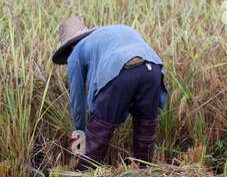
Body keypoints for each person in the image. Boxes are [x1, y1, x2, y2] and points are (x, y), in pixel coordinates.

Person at [52, 15, 168, 167]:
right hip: (153, 68)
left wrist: (79, 139)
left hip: (120, 70)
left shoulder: (76, 53)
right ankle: (144, 172)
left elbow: (77, 102)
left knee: (99, 133)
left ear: (70, 47)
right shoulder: (110, 33)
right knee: (145, 128)